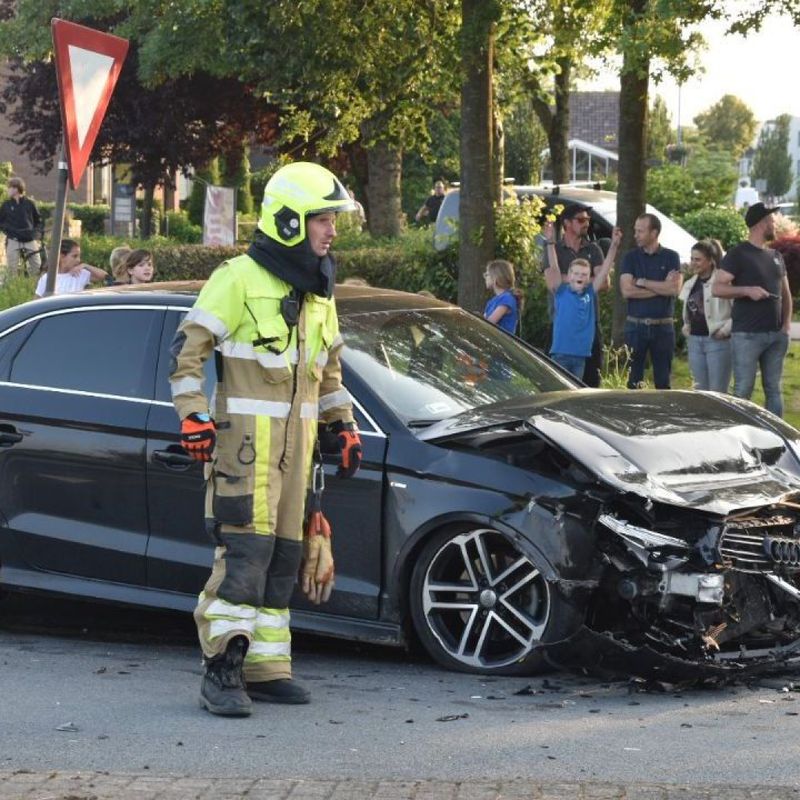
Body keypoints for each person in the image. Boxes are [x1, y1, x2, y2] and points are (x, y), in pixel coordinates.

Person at [169, 161, 362, 717]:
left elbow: (329, 372)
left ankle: (266, 666)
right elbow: (187, 352)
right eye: (322, 219)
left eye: (333, 220)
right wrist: (193, 414)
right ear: (289, 222)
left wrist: (343, 426)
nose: (331, 230)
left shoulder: (319, 292)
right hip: (245, 451)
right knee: (246, 556)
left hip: (296, 454)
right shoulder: (238, 278)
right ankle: (221, 670)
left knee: (284, 556)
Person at [712, 202, 792, 417]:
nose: (774, 224)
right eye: (772, 220)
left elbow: (786, 293)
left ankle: (776, 433)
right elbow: (717, 288)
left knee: (774, 389)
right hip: (747, 335)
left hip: (776, 336)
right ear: (761, 223)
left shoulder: (775, 256)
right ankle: (740, 432)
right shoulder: (738, 254)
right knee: (743, 390)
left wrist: (786, 325)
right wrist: (747, 290)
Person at [541, 203, 608, 387]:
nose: (586, 223)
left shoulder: (593, 249)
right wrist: (587, 278)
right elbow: (552, 283)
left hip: (590, 326)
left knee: (590, 383)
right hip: (560, 325)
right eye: (581, 220)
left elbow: (604, 283)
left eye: (588, 219)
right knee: (556, 383)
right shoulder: (554, 249)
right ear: (567, 223)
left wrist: (569, 278)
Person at [544, 225, 622, 380]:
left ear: (588, 278)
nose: (580, 276)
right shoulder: (561, 291)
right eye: (576, 273)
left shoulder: (589, 293)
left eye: (584, 274)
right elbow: (554, 266)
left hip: (580, 356)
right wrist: (550, 242)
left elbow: (604, 271)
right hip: (561, 355)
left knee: (575, 389)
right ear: (569, 276)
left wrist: (614, 245)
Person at [619, 213, 682, 389]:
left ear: (654, 233)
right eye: (635, 231)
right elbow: (626, 291)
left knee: (663, 382)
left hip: (663, 327)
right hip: (635, 326)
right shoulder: (630, 257)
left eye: (640, 231)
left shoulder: (671, 257)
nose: (635, 235)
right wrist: (661, 288)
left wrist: (642, 282)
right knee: (633, 381)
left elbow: (674, 289)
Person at [679, 239, 732, 393]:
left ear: (710, 261)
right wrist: (686, 326)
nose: (693, 263)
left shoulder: (723, 282)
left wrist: (725, 330)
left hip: (718, 342)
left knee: (717, 392)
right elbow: (688, 311)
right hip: (695, 342)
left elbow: (740, 311)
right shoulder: (690, 283)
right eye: (692, 259)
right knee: (699, 392)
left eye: (698, 259)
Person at [0, 177, 43, 278]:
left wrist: (35, 234)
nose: (8, 190)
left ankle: (35, 286)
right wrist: (9, 232)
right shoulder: (6, 205)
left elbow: (38, 221)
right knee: (12, 271)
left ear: (16, 189)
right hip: (13, 240)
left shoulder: (30, 203)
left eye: (9, 188)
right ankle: (14, 287)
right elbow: (1, 222)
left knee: (37, 268)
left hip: (30, 239)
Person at [33, 239, 108, 298]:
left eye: (79, 256)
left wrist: (85, 266)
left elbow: (105, 276)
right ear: (62, 256)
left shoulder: (80, 273)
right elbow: (37, 300)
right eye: (74, 256)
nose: (78, 260)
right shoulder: (47, 278)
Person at [483, 259, 521, 334]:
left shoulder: (507, 299)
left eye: (487, 275)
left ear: (495, 278)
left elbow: (489, 324)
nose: (485, 277)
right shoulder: (492, 301)